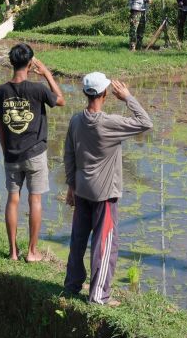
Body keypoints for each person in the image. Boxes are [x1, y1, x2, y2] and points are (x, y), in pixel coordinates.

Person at [63, 73, 152, 306]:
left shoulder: (75, 121)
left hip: (82, 190)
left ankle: (72, 284)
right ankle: (99, 295)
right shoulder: (110, 123)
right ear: (104, 94)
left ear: (85, 93)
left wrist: (71, 186)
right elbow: (146, 122)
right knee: (105, 245)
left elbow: (69, 156)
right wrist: (128, 97)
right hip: (104, 196)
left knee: (78, 240)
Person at [0, 43, 65, 261]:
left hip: (11, 154)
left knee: (12, 200)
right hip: (35, 154)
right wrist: (48, 75)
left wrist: (6, 150)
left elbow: (0, 124)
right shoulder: (38, 89)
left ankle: (13, 252)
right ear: (31, 63)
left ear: (11, 63)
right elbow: (60, 100)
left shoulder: (0, 91)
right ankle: (32, 252)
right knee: (35, 201)